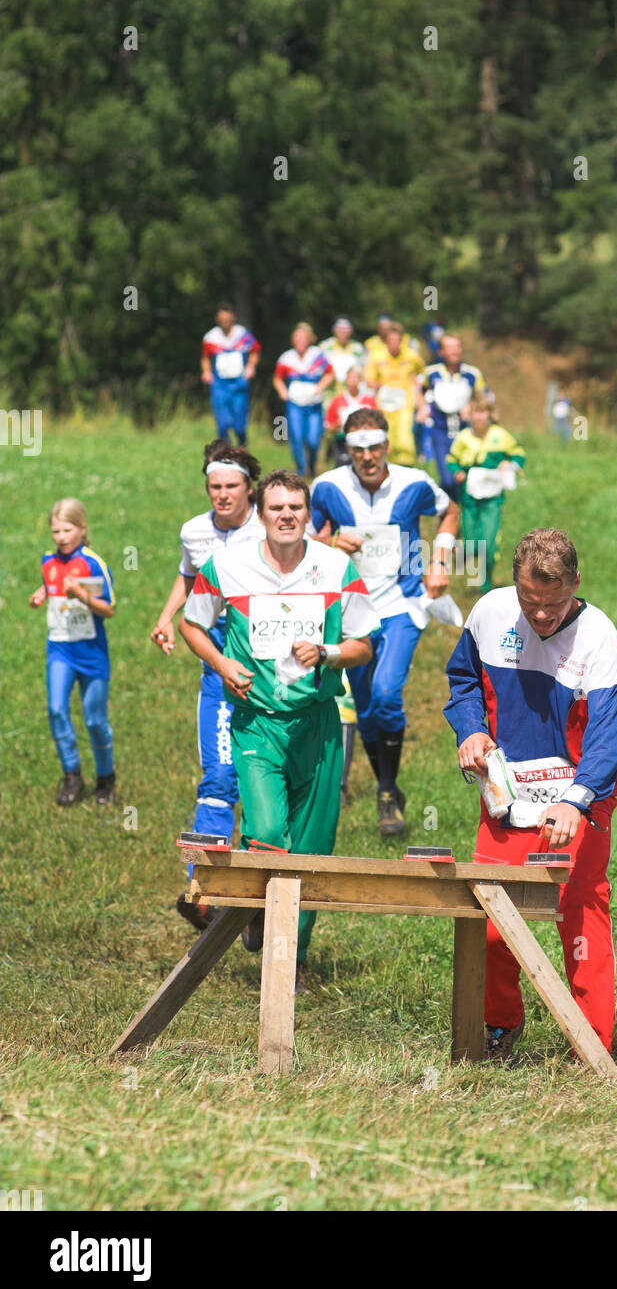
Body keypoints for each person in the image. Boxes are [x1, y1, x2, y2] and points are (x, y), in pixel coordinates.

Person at [179, 470, 379, 973]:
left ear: (308, 514)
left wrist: (329, 652)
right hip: (256, 722)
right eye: (276, 508)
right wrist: (222, 665)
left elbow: (364, 645)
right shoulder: (227, 566)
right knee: (267, 830)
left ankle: (292, 961)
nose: (286, 515)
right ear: (261, 514)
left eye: (296, 507)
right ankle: (258, 914)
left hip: (318, 724)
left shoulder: (337, 568)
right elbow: (191, 622)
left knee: (312, 851)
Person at [443, 528, 617, 1060]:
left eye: (553, 603)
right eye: (530, 602)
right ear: (514, 585)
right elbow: (463, 682)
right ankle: (501, 1027)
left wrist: (577, 799)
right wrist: (470, 729)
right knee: (491, 915)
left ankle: (590, 1045)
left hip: (581, 800)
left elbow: (608, 733)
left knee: (579, 909)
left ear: (576, 582)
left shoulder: (599, 636)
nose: (541, 615)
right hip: (508, 796)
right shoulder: (489, 612)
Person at [311, 408, 460, 836]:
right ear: (348, 450)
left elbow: (450, 511)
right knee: (365, 708)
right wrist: (330, 541)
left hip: (403, 604)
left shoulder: (413, 482)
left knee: (386, 692)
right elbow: (303, 538)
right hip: (351, 610)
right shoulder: (326, 487)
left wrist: (438, 560)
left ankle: (385, 792)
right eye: (358, 449)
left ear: (387, 446)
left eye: (374, 447)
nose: (367, 456)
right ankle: (388, 790)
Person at [150, 441, 264, 927]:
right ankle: (204, 891)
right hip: (217, 668)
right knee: (219, 777)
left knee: (259, 780)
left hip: (266, 672)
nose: (222, 495)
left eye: (231, 486)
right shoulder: (194, 531)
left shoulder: (271, 528)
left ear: (249, 488)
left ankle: (258, 887)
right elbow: (187, 575)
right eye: (214, 486)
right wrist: (165, 616)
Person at [29, 499, 117, 807]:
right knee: (55, 709)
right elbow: (49, 585)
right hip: (60, 650)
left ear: (82, 528)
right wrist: (41, 594)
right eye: (56, 531)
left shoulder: (93, 563)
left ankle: (106, 779)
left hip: (91, 652)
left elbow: (110, 609)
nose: (61, 537)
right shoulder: (47, 562)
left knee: (94, 720)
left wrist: (81, 595)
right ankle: (72, 775)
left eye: (67, 530)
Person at [446, 392, 525, 591]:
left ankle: (486, 583)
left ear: (490, 414)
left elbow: (518, 454)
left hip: (493, 499)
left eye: (483, 413)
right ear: (470, 415)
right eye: (476, 413)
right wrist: (457, 473)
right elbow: (451, 460)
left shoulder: (501, 435)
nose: (480, 417)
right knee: (473, 543)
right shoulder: (463, 438)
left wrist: (512, 464)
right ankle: (463, 556)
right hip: (470, 498)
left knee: (488, 546)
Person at [420, 333, 487, 493]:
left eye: (457, 347)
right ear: (441, 351)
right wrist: (423, 408)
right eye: (449, 347)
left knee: (467, 478)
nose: (454, 351)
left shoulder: (472, 374)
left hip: (466, 432)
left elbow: (484, 397)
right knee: (448, 479)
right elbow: (418, 391)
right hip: (441, 431)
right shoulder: (431, 373)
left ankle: (463, 514)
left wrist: (471, 407)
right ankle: (448, 513)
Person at [273, 323, 334, 477]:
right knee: (297, 437)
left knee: (314, 439)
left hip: (313, 404)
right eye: (297, 338)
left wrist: (320, 387)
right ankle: (301, 470)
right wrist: (282, 391)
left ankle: (312, 464)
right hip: (294, 404)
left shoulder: (317, 355)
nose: (300, 342)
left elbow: (329, 374)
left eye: (303, 338)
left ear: (309, 339)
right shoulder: (286, 358)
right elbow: (278, 378)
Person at [364, 322, 426, 467]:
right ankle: (387, 467)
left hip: (405, 404)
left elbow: (422, 374)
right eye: (391, 341)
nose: (394, 344)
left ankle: (406, 468)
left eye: (397, 341)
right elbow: (369, 380)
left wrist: (418, 387)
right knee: (387, 437)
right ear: (386, 341)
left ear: (402, 340)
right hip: (384, 404)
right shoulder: (377, 356)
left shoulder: (411, 356)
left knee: (405, 439)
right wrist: (379, 385)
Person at [201, 302, 260, 446]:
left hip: (239, 382)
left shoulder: (243, 334)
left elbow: (255, 351)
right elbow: (205, 358)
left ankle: (242, 444)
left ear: (233, 318)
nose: (225, 323)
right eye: (222, 320)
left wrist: (251, 366)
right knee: (223, 424)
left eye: (227, 320)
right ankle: (226, 453)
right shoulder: (210, 337)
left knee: (239, 425)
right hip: (219, 384)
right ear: (217, 319)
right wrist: (206, 372)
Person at [324, 364, 378, 467]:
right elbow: (329, 427)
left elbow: (378, 424)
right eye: (350, 378)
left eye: (356, 378)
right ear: (346, 380)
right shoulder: (337, 401)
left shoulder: (369, 401)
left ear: (360, 380)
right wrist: (337, 425)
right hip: (342, 442)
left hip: (365, 442)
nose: (353, 381)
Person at [320, 317, 367, 389]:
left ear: (351, 331)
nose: (342, 332)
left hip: (351, 390)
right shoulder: (324, 347)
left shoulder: (358, 348)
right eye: (339, 329)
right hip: (330, 390)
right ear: (334, 330)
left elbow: (363, 371)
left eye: (346, 329)